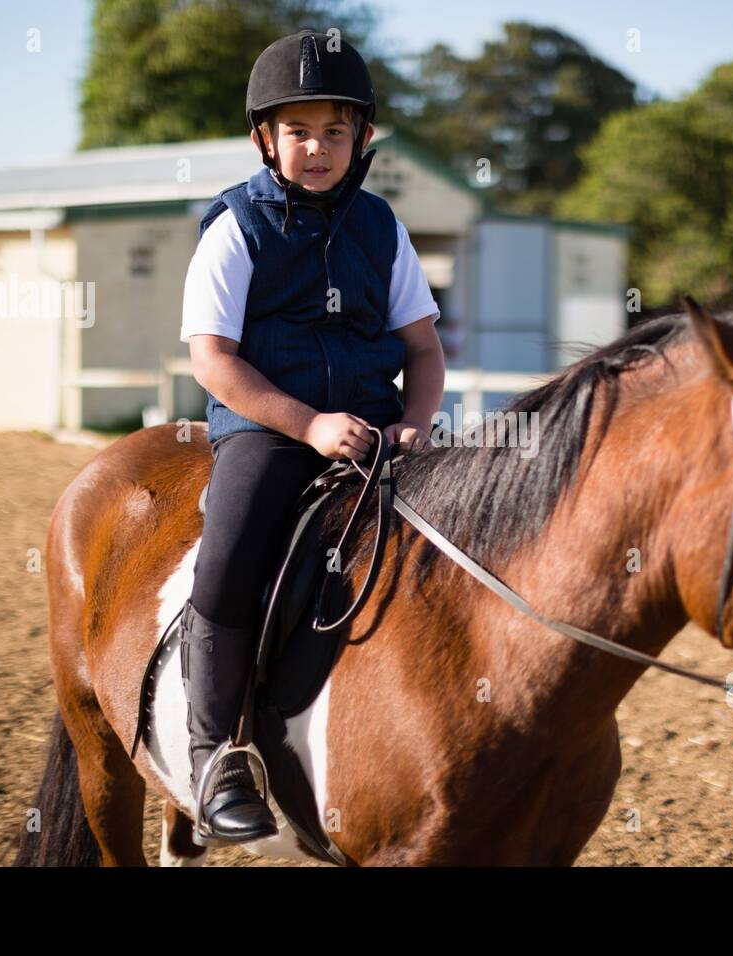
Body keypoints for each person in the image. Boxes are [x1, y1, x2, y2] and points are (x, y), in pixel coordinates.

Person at [177, 29, 446, 842]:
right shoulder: (235, 228)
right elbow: (214, 362)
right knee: (228, 561)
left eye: (335, 132)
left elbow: (424, 349)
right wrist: (308, 423)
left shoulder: (381, 226)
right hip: (269, 429)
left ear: (361, 139)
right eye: (299, 131)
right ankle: (214, 755)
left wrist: (416, 423)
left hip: (375, 431)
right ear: (267, 138)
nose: (318, 149)